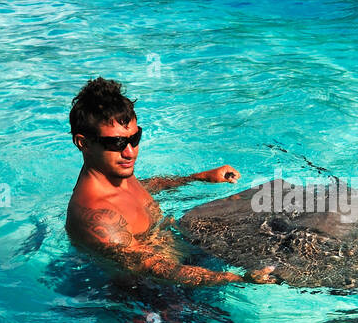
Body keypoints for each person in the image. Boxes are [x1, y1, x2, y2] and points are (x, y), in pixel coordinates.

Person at [65, 77, 276, 285]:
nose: (130, 152)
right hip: (153, 297)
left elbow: (143, 188)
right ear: (83, 143)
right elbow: (155, 268)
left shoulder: (115, 172)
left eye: (134, 139)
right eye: (117, 143)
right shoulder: (98, 218)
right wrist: (238, 279)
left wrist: (198, 178)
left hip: (184, 261)